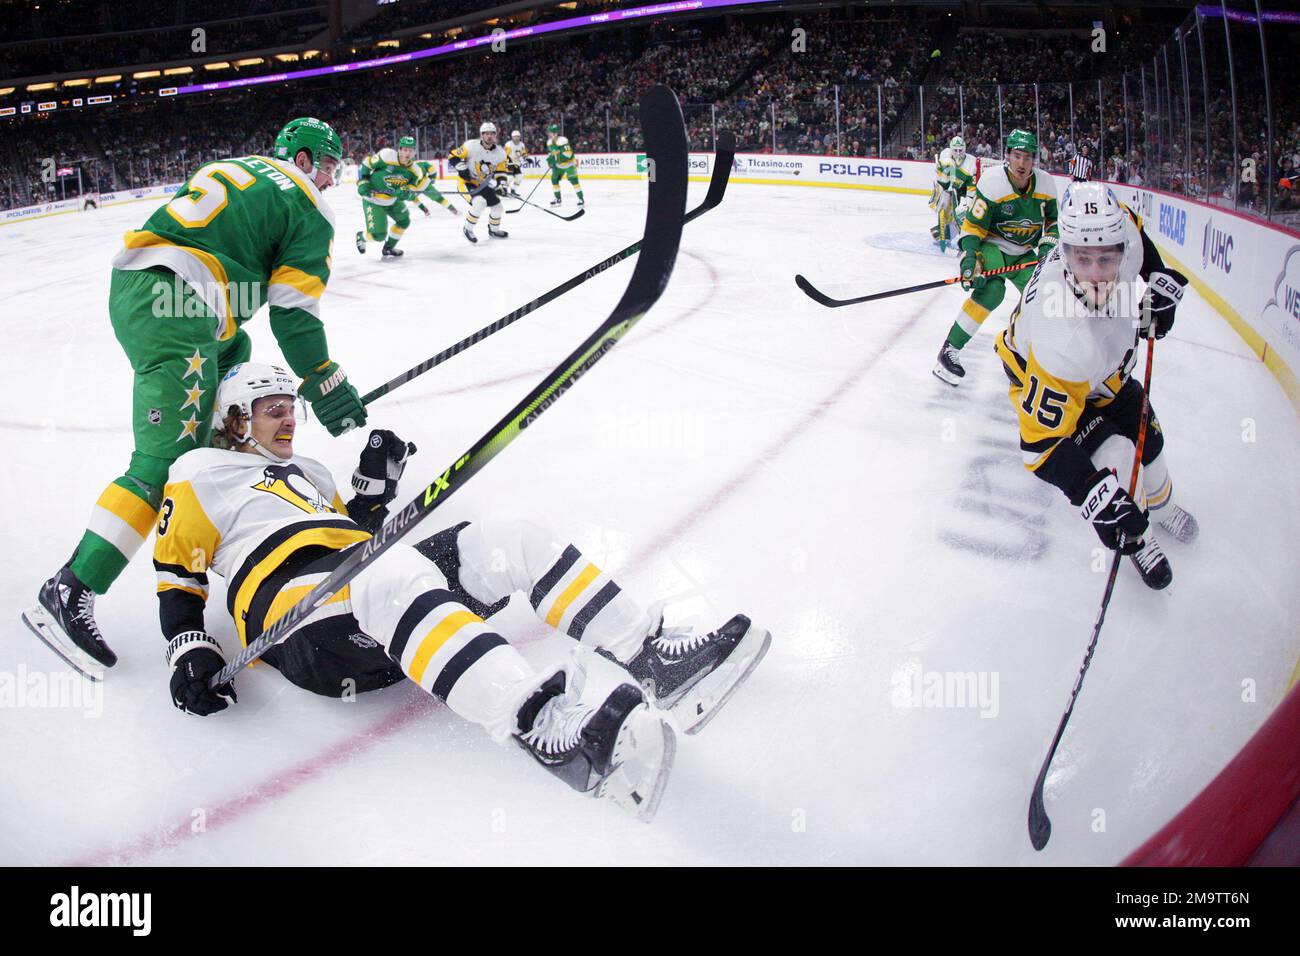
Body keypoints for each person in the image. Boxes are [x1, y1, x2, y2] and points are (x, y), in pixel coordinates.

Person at [156, 363, 771, 821]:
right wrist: (189, 649)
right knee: (387, 575)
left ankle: (652, 659)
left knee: (508, 539)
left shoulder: (311, 474)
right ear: (236, 420)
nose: (290, 416)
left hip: (367, 601)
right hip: (299, 626)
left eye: (292, 405)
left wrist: (372, 491)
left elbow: (356, 538)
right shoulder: (199, 472)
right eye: (272, 408)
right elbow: (176, 573)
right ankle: (553, 732)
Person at [23, 117, 367, 679]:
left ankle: (229, 470)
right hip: (177, 310)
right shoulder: (306, 201)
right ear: (304, 158)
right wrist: (325, 382)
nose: (330, 180)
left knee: (236, 351)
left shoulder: (240, 167)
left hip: (156, 295)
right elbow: (295, 316)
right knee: (163, 463)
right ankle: (71, 585)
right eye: (328, 166)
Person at [993, 183, 1197, 589]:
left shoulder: (1114, 233)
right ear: (1065, 253)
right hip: (1048, 374)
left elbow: (1138, 238)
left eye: (1107, 258)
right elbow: (1041, 446)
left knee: (1150, 444)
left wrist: (1158, 281)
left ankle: (1164, 503)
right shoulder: (1060, 341)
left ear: (1122, 247)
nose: (1096, 275)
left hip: (1105, 372)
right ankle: (1141, 538)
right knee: (1118, 454)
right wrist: (1093, 495)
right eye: (1083, 259)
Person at [934, 129, 1059, 386]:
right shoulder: (992, 182)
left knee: (1043, 298)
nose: (1022, 164)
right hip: (993, 246)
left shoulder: (1046, 184)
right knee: (991, 291)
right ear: (1007, 156)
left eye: (1027, 157)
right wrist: (970, 256)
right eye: (1016, 156)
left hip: (1025, 254)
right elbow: (973, 227)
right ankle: (949, 351)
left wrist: (1047, 247)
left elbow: (1053, 223)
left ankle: (1034, 358)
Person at [355, 134, 421, 258]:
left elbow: (411, 190)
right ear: (400, 149)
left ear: (414, 153)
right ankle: (361, 236)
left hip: (392, 199)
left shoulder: (415, 171)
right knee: (378, 236)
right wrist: (363, 181)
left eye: (411, 150)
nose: (408, 153)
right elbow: (366, 164)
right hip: (373, 199)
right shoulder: (387, 156)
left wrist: (405, 193)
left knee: (404, 221)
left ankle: (389, 248)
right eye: (405, 149)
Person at [450, 121, 510, 244]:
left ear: (495, 135)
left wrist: (502, 185)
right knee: (479, 203)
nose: (489, 136)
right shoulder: (470, 146)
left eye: (492, 133)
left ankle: (493, 230)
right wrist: (462, 168)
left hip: (482, 184)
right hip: (466, 182)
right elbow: (453, 156)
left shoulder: (501, 153)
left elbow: (501, 171)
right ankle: (468, 229)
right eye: (486, 133)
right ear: (481, 135)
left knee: (498, 207)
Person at [929, 136, 978, 252]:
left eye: (960, 150)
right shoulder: (945, 156)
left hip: (964, 191)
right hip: (949, 188)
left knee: (961, 215)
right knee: (944, 209)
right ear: (951, 149)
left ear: (965, 149)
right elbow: (941, 178)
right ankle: (943, 235)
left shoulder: (971, 162)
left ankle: (964, 237)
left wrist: (969, 200)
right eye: (955, 150)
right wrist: (942, 192)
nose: (958, 153)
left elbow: (971, 187)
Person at [546, 123, 584, 207]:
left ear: (555, 133)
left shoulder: (563, 140)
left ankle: (581, 198)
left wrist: (554, 160)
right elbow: (551, 154)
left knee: (574, 180)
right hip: (558, 166)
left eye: (550, 132)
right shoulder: (549, 142)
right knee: (554, 180)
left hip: (569, 164)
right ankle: (558, 198)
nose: (548, 134)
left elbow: (568, 155)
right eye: (548, 132)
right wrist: (550, 162)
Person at [504, 130, 528, 195]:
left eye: (518, 137)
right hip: (509, 163)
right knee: (510, 177)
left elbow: (523, 153)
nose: (516, 138)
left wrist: (526, 158)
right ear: (512, 137)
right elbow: (505, 154)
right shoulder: (509, 144)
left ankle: (513, 190)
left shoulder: (521, 144)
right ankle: (504, 190)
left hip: (517, 163)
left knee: (519, 177)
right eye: (515, 137)